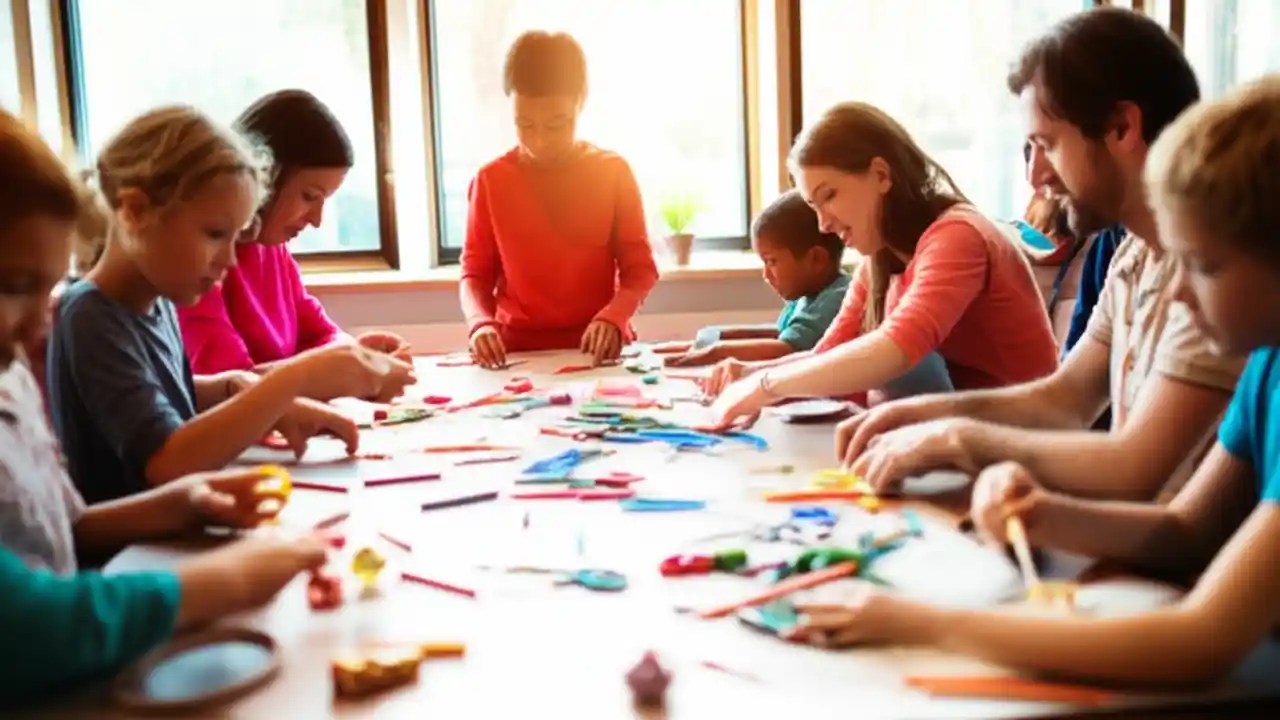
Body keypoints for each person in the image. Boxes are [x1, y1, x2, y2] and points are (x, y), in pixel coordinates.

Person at [787, 73, 1280, 687]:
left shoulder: (957, 233)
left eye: (1203, 265)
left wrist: (920, 622)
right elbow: (1187, 529)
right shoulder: (1267, 364)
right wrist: (1044, 514)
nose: (1179, 292)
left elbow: (1203, 641)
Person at [836, 9, 1242, 501]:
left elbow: (1135, 467)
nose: (1036, 177)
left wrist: (957, 439)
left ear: (1121, 127)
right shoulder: (1132, 255)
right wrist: (918, 415)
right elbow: (1065, 400)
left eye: (1047, 144)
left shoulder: (1218, 279)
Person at [0, 107, 325, 701]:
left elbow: (68, 527)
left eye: (45, 289)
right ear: (134, 212)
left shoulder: (12, 375)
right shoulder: (87, 315)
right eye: (17, 287)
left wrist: (183, 503)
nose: (40, 327)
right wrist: (228, 579)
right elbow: (28, 626)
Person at [46, 106, 412, 504]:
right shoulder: (91, 316)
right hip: (133, 540)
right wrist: (293, 381)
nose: (230, 260)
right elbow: (167, 461)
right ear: (136, 212)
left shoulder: (155, 302)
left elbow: (167, 396)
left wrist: (238, 389)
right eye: (215, 234)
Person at [704, 102, 1059, 423]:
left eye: (829, 196)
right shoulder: (879, 260)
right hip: (974, 429)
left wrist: (765, 385)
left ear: (881, 175)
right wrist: (748, 375)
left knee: (897, 370)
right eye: (814, 206)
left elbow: (897, 349)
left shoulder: (958, 235)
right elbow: (827, 354)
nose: (823, 224)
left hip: (1028, 435)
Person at [177, 90, 414, 376]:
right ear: (265, 177)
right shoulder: (199, 262)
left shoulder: (274, 248)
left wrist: (358, 355)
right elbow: (229, 382)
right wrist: (342, 367)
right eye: (309, 196)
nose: (316, 220)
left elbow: (320, 334)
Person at [460, 31, 659, 368]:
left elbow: (640, 270)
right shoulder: (491, 180)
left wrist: (615, 316)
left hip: (598, 350)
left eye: (556, 125)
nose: (540, 141)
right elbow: (474, 274)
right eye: (525, 125)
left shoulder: (613, 172)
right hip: (515, 353)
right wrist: (479, 323)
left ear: (580, 102)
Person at [657, 190, 850, 366]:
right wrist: (707, 340)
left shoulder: (838, 297)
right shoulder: (806, 296)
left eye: (772, 261)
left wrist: (716, 352)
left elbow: (786, 349)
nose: (766, 275)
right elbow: (781, 333)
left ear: (816, 259)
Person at [1012, 139, 1124, 356]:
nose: (1034, 177)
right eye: (1031, 151)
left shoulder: (1105, 244)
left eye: (1049, 147)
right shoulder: (1104, 245)